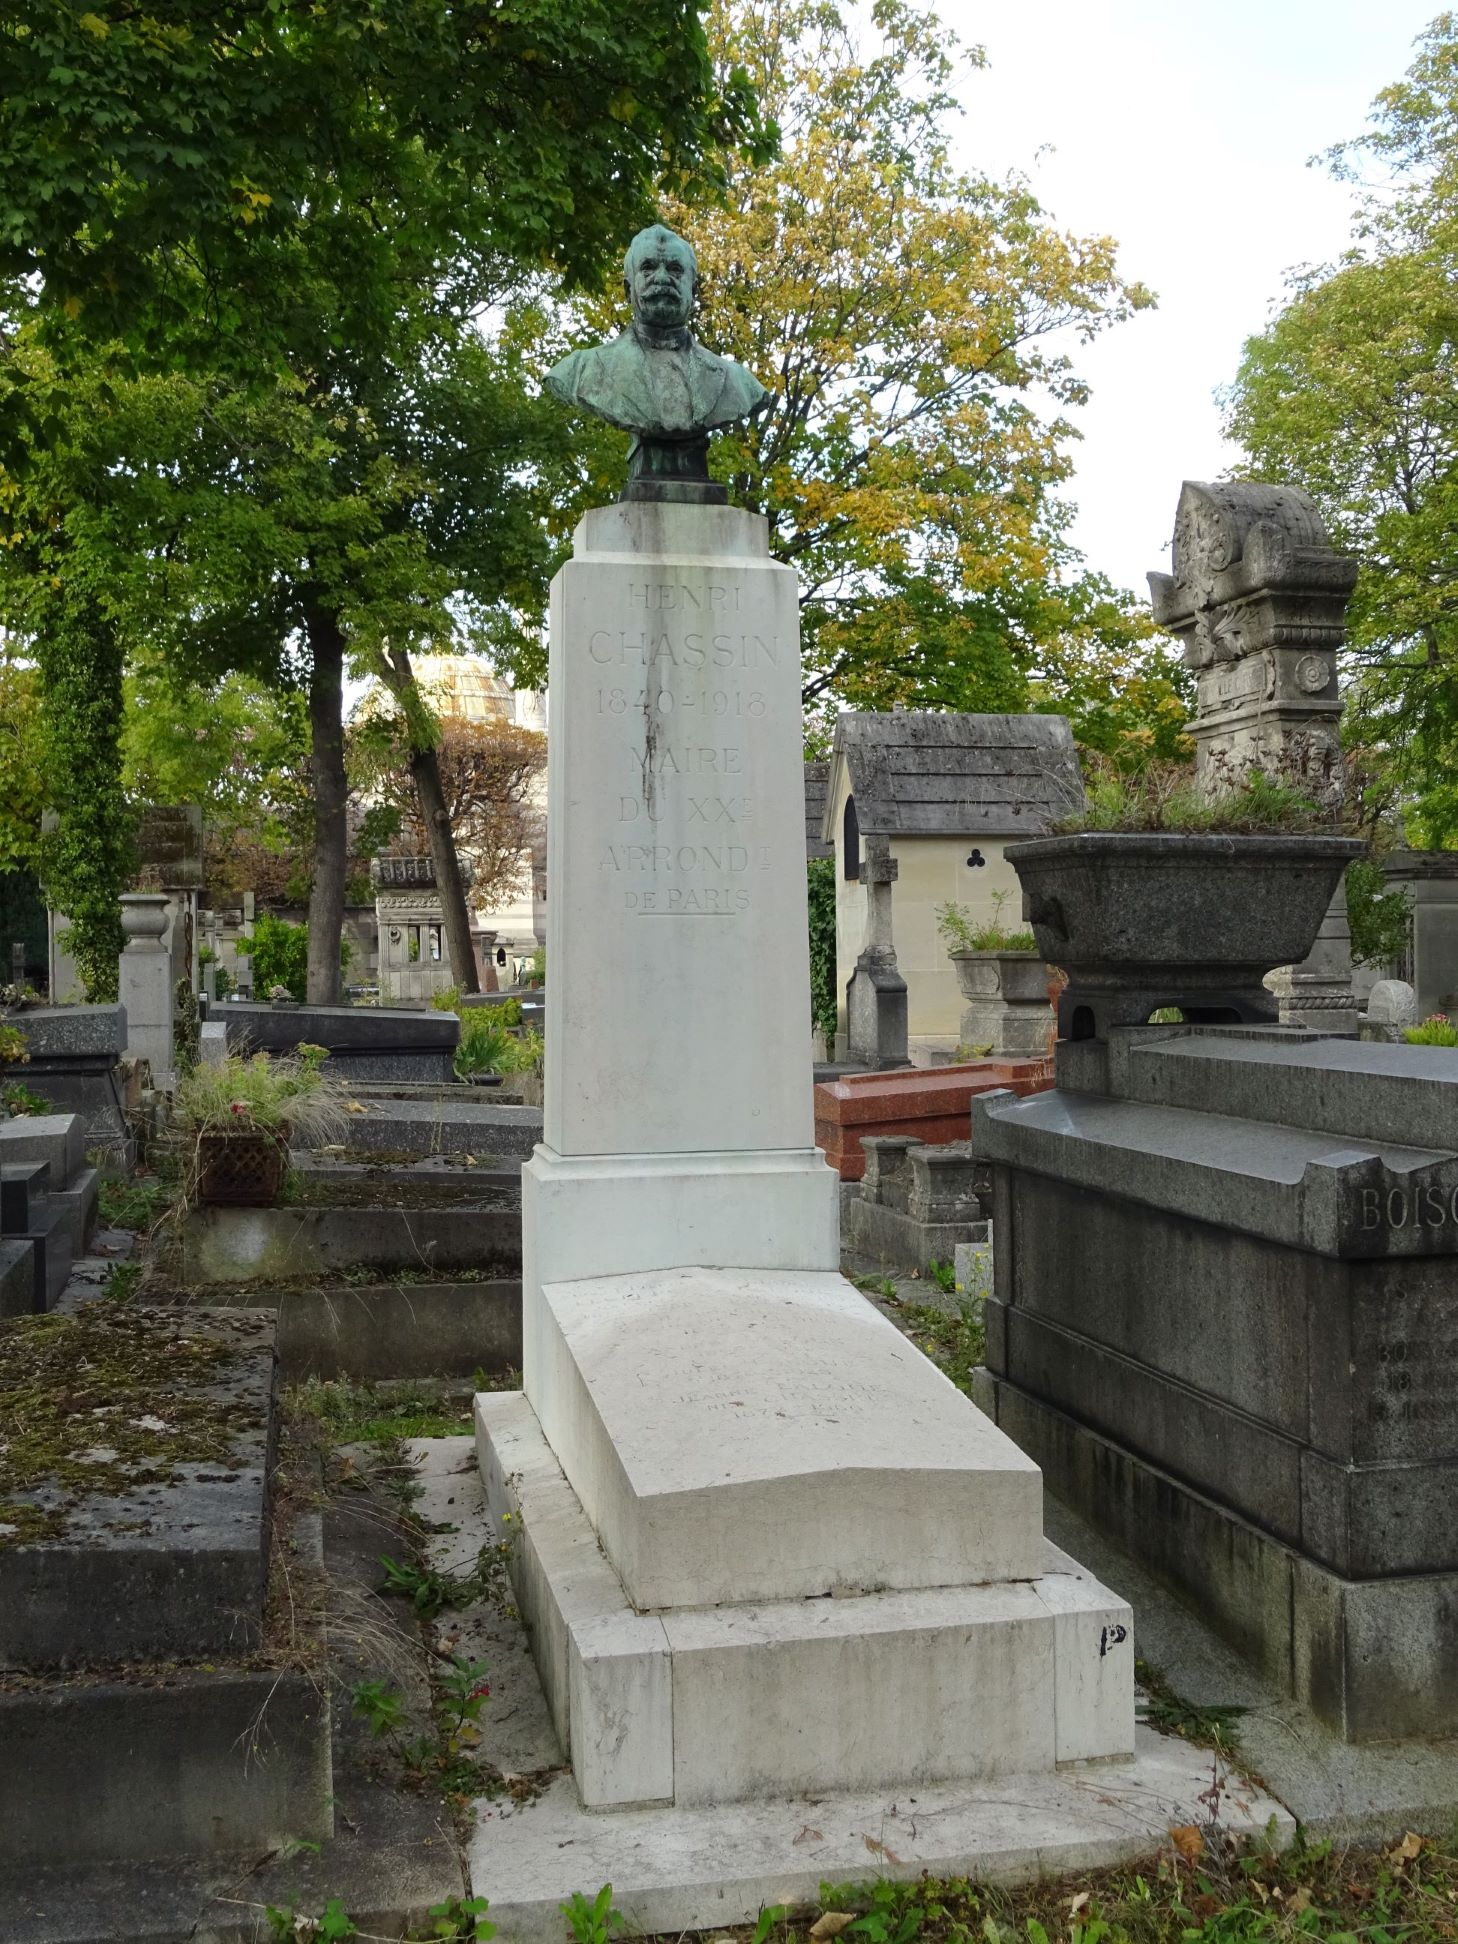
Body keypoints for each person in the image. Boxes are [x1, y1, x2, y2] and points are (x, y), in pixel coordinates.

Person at [546, 223, 769, 499]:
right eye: (648, 268)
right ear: (629, 289)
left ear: (694, 289)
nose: (662, 278)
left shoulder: (737, 382)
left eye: (675, 269)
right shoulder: (582, 370)